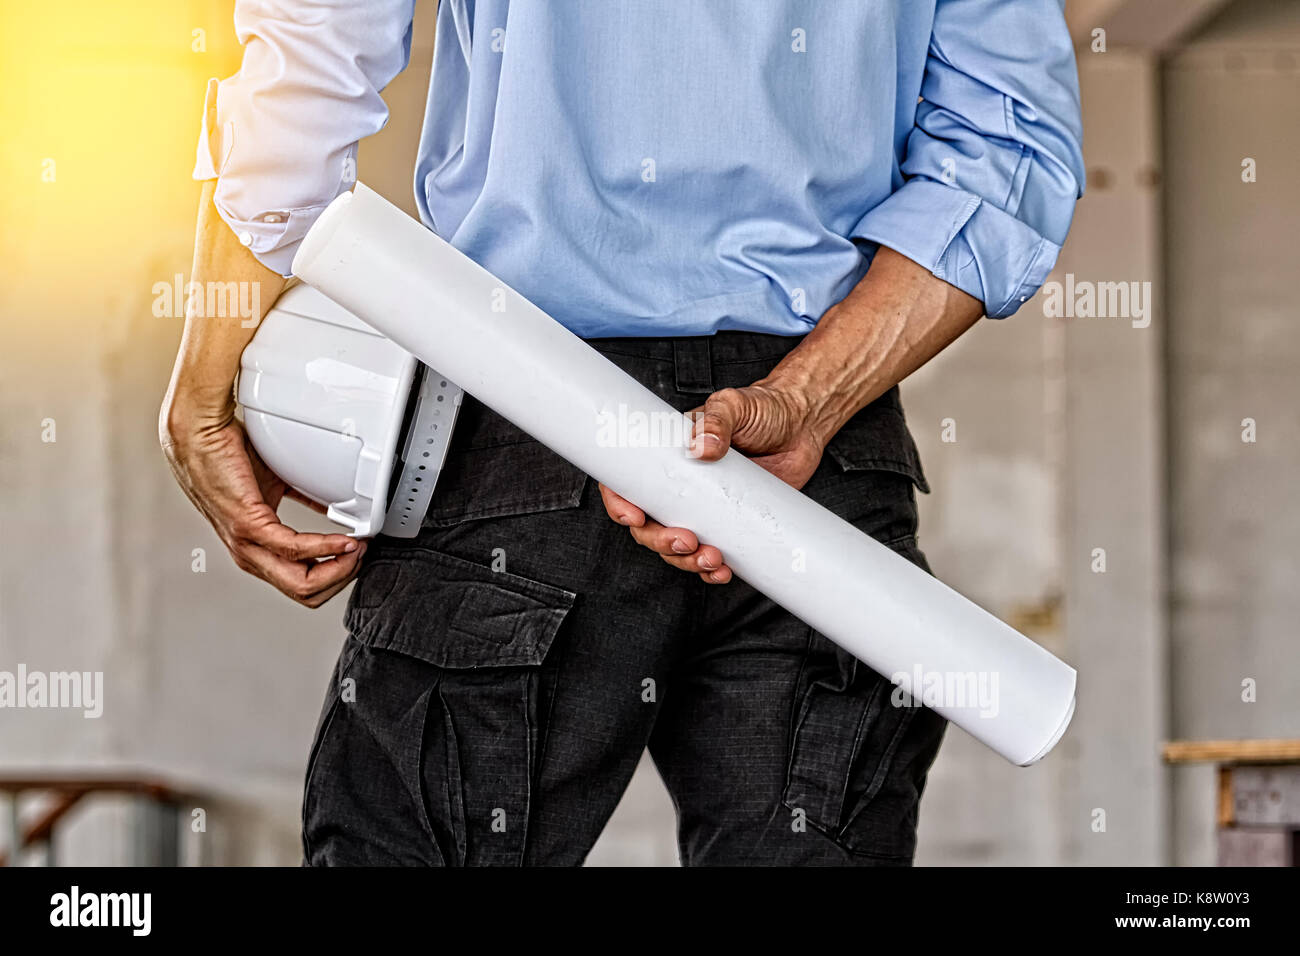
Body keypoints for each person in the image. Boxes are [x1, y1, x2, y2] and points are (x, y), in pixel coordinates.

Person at [160, 0, 1083, 866]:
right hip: (818, 459)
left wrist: (208, 376)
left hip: (522, 415)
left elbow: (303, 87)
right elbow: (1009, 158)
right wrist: (809, 399)